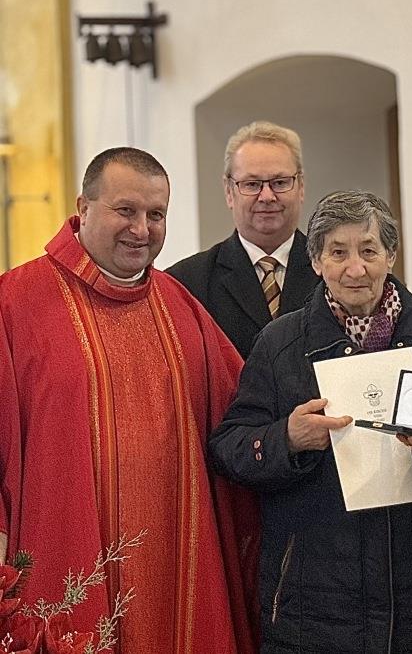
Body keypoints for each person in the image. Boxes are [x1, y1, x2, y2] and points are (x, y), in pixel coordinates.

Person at [209, 190, 412, 653]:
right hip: (313, 613)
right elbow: (230, 449)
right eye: (338, 252)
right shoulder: (279, 345)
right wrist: (286, 438)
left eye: (369, 251)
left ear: (391, 255)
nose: (355, 268)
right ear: (316, 261)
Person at [0, 148, 259, 653]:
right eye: (126, 210)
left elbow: (244, 412)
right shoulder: (16, 302)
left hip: (176, 558)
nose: (141, 229)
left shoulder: (181, 307)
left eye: (156, 214)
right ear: (84, 206)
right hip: (63, 553)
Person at [167, 121, 320, 358]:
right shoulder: (185, 284)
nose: (267, 196)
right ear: (229, 192)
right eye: (252, 184)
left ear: (301, 186)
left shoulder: (336, 273)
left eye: (280, 182)